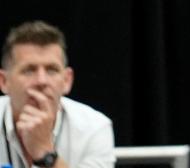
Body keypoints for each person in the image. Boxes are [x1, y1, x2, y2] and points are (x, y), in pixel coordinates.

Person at [0, 21, 114, 168]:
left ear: (67, 80)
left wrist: (46, 154)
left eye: (51, 70)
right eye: (29, 70)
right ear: (4, 81)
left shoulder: (94, 128)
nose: (41, 81)